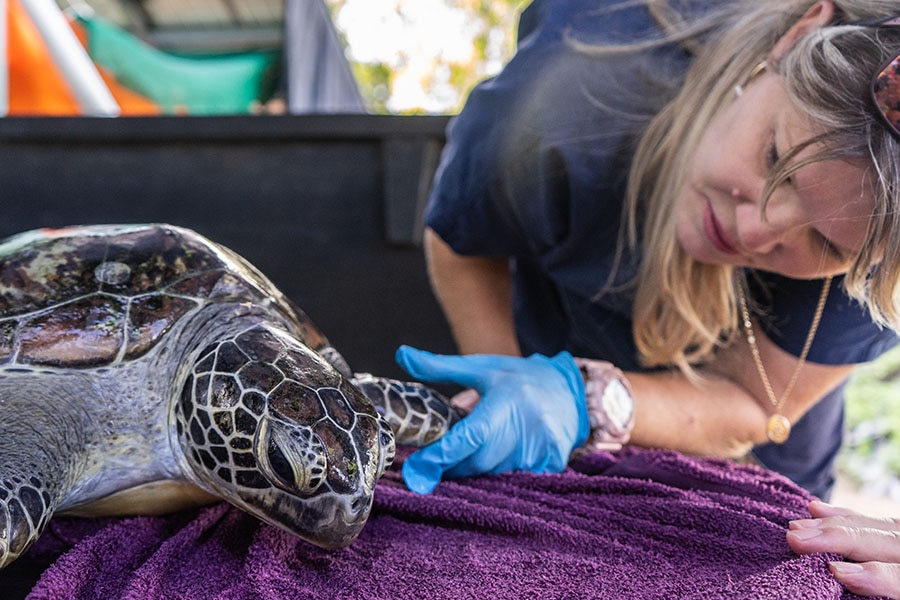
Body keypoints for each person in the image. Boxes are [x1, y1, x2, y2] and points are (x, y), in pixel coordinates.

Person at [394, 0, 900, 597]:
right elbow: (463, 243)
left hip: (755, 441)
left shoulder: (879, 245)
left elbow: (750, 401)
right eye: (776, 163)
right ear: (795, 36)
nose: (757, 230)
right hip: (566, 341)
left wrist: (584, 399)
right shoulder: (560, 107)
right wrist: (509, 389)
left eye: (823, 238)